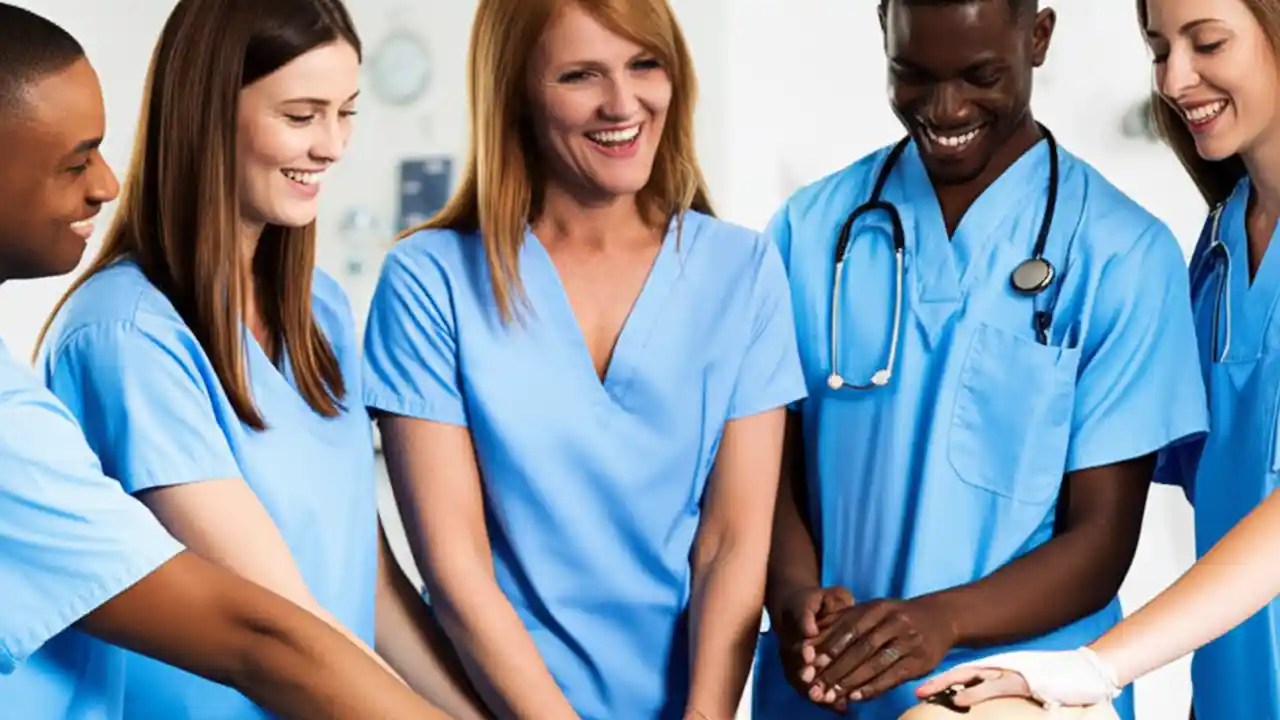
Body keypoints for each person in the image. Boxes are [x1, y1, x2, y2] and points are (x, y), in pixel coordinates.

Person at [751, 1, 1210, 719]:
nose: (944, 107)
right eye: (913, 75)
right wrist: (791, 591)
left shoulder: (1121, 253)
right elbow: (761, 468)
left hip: (1021, 688)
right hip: (826, 685)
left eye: (979, 75)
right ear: (883, 32)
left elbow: (1102, 540)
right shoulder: (809, 231)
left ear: (1038, 37)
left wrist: (942, 621)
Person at [33, 1, 484, 718]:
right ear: (208, 114)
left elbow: (369, 585)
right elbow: (279, 627)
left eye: (347, 113)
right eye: (302, 116)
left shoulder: (322, 311)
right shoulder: (126, 335)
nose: (333, 145)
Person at [360, 0, 808, 717]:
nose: (623, 103)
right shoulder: (430, 280)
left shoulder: (741, 270)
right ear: (518, 91)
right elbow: (457, 568)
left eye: (644, 64)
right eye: (580, 75)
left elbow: (731, 544)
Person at [916, 1, 1280, 717]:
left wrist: (1089, 668)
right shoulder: (1216, 249)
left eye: (1207, 43)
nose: (1176, 79)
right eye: (1158, 49)